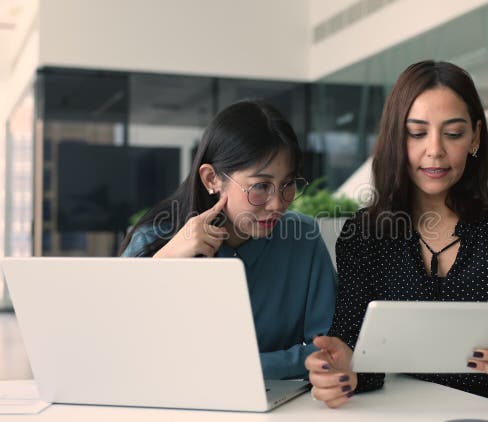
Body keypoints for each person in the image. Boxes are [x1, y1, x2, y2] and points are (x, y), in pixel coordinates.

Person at [305, 61, 488, 419]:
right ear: (395, 139)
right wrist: (344, 368)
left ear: (476, 138)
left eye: (453, 133)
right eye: (417, 133)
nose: (435, 150)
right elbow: (360, 355)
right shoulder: (365, 234)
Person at [120, 99, 336, 380]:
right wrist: (163, 263)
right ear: (211, 179)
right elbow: (121, 347)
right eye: (260, 186)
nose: (277, 203)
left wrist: (230, 369)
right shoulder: (155, 240)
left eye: (288, 184)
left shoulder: (303, 240)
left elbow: (330, 350)